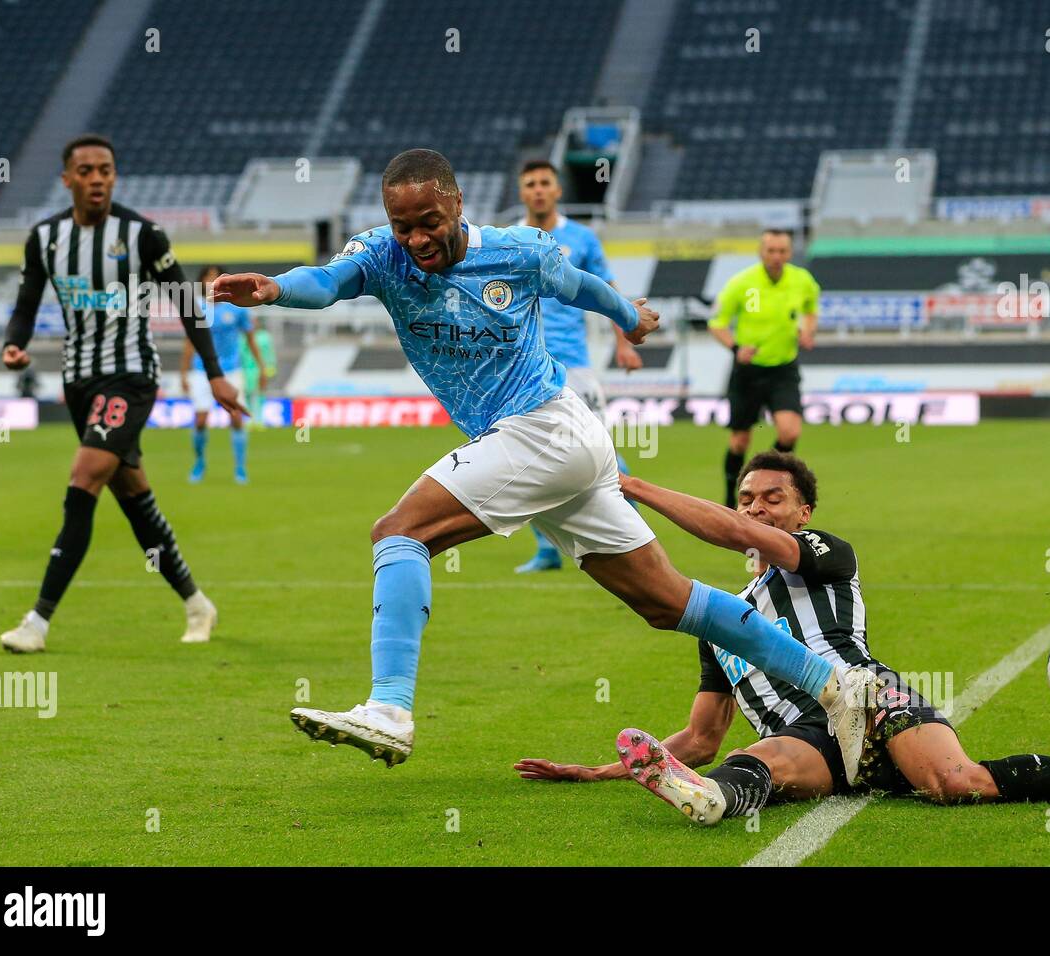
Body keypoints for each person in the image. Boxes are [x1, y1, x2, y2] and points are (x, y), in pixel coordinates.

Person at [210, 148, 877, 774]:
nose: (416, 238)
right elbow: (326, 283)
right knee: (665, 601)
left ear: (458, 204)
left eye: (429, 223)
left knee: (399, 531)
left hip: (544, 428)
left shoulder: (515, 251)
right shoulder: (383, 256)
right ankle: (836, 687)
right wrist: (273, 289)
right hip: (559, 448)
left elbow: (579, 284)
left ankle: (388, 707)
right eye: (403, 225)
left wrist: (629, 318)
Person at [516, 452, 1050, 824]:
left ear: (804, 511)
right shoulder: (721, 620)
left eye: (772, 498)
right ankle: (709, 799)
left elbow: (736, 534)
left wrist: (633, 485)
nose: (756, 507)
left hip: (871, 699)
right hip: (810, 739)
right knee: (766, 763)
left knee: (956, 784)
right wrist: (599, 770)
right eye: (747, 497)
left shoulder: (823, 551)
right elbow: (700, 736)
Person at [0, 134, 245, 653]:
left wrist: (216, 372)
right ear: (67, 179)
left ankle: (37, 622)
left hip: (131, 378)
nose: (96, 179)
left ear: (115, 175)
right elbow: (25, 302)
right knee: (135, 501)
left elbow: (187, 305)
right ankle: (197, 603)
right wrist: (13, 346)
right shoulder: (45, 238)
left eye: (105, 170)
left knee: (84, 478)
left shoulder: (143, 235)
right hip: (78, 381)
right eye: (85, 171)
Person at [513, 159, 641, 573]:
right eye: (530, 183)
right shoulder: (510, 238)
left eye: (544, 183)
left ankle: (633, 523)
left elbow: (607, 290)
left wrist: (625, 339)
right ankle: (548, 550)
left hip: (574, 367)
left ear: (557, 190)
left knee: (600, 451)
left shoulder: (582, 238)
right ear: (521, 191)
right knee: (523, 457)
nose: (537, 190)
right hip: (523, 368)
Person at [709, 230, 819, 507]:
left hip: (784, 369)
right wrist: (736, 348)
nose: (777, 257)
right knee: (739, 442)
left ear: (790, 253)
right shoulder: (741, 283)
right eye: (771, 251)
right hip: (749, 372)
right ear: (761, 252)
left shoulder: (802, 280)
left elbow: (810, 308)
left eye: (782, 251)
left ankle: (771, 481)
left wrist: (808, 331)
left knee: (789, 432)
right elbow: (716, 323)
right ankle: (729, 496)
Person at [180, 264, 267, 483]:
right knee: (200, 420)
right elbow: (190, 343)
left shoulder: (237, 308)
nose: (211, 281)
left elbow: (251, 340)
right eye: (207, 277)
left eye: (215, 277)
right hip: (202, 371)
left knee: (236, 418)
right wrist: (183, 373)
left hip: (231, 369)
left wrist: (261, 368)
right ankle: (199, 462)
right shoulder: (196, 308)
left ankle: (240, 468)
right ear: (201, 281)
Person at [240, 312, 278, 430]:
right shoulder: (242, 337)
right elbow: (240, 354)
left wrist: (271, 367)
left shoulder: (264, 336)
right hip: (245, 370)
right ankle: (249, 420)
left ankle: (259, 420)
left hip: (260, 369)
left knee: (259, 394)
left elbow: (270, 353)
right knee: (247, 395)